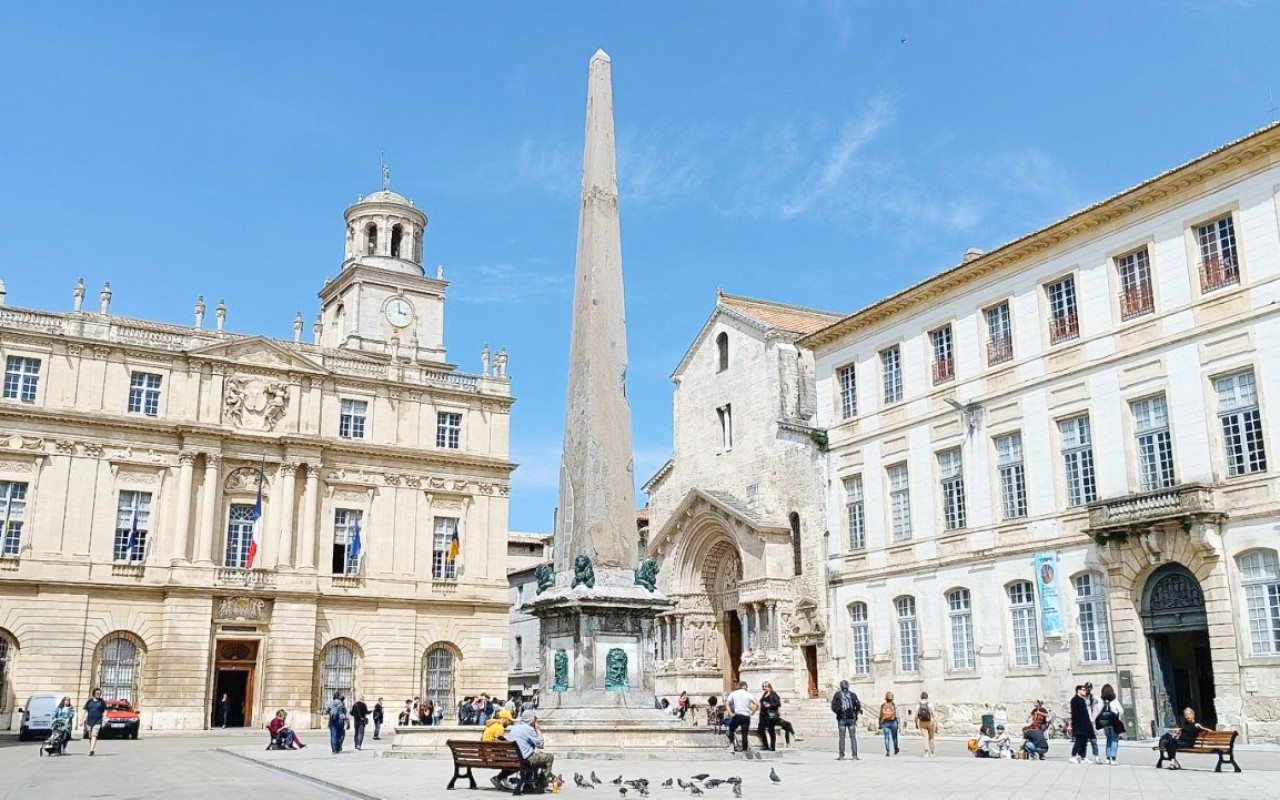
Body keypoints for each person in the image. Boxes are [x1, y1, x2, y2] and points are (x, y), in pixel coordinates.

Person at [507, 711, 554, 792]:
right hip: (525, 760)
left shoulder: (514, 728)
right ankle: (542, 784)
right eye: (535, 718)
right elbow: (541, 745)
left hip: (514, 759)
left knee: (538, 756)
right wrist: (538, 730)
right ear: (532, 719)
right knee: (549, 757)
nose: (536, 720)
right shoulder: (529, 729)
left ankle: (529, 784)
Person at [482, 709, 517, 789]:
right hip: (493, 755)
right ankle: (498, 778)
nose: (509, 723)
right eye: (509, 721)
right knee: (516, 763)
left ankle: (502, 779)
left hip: (486, 754)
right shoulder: (499, 727)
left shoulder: (492, 725)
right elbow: (498, 741)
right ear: (504, 719)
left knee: (508, 759)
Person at [830, 680, 861, 761]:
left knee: (842, 737)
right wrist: (856, 714)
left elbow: (833, 706)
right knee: (853, 737)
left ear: (841, 686)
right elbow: (858, 706)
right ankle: (854, 755)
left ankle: (841, 755)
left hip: (842, 718)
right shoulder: (853, 695)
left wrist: (838, 712)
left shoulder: (838, 694)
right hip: (851, 718)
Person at [725, 680, 757, 753]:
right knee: (744, 733)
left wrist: (730, 713)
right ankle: (744, 750)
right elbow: (757, 704)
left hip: (738, 715)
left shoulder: (734, 693)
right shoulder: (748, 694)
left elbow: (727, 703)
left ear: (739, 686)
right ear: (745, 687)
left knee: (731, 729)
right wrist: (752, 712)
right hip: (746, 716)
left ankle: (732, 744)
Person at [1096, 683, 1125, 765]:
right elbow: (1121, 711)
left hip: (1105, 723)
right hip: (1114, 723)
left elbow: (1099, 710)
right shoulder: (1114, 700)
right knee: (1114, 740)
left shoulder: (1101, 701)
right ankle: (1113, 758)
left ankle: (1108, 758)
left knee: (1108, 739)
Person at [1069, 685, 1091, 764]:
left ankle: (1083, 756)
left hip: (1085, 723)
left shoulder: (1083, 700)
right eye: (1083, 690)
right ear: (1078, 690)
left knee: (1084, 741)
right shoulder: (1074, 700)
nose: (1085, 691)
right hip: (1078, 724)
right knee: (1078, 740)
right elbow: (1075, 713)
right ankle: (1073, 756)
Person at [756, 682, 782, 751]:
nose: (764, 688)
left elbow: (778, 703)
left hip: (770, 714)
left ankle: (772, 746)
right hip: (763, 714)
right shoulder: (764, 694)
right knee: (761, 729)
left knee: (771, 730)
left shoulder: (773, 694)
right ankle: (765, 745)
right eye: (763, 687)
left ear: (770, 687)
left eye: (766, 687)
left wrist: (770, 705)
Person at [83, 687, 107, 756]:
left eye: (99, 693)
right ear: (94, 693)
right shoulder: (89, 701)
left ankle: (91, 750)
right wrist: (82, 720)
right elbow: (85, 711)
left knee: (94, 735)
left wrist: (104, 719)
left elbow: (105, 711)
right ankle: (91, 747)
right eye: (97, 693)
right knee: (90, 736)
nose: (98, 694)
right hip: (89, 721)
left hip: (98, 721)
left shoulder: (101, 701)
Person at [1083, 682, 1101, 764]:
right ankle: (1083, 757)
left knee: (1093, 740)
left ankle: (1096, 756)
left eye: (1090, 688)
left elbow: (1098, 703)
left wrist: (1093, 718)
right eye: (1087, 688)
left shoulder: (1092, 697)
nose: (1088, 689)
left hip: (1090, 721)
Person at [878, 691, 899, 756]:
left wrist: (880, 723)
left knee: (886, 737)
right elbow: (897, 715)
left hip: (885, 722)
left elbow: (881, 715)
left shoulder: (883, 705)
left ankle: (887, 751)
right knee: (894, 737)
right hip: (893, 722)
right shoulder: (894, 705)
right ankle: (895, 749)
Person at [916, 691, 936, 758]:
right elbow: (933, 714)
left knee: (925, 737)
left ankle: (926, 753)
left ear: (921, 697)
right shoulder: (930, 704)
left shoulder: (918, 705)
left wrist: (916, 722)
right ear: (927, 697)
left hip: (922, 722)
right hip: (930, 721)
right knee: (931, 737)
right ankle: (932, 752)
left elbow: (916, 715)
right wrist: (936, 722)